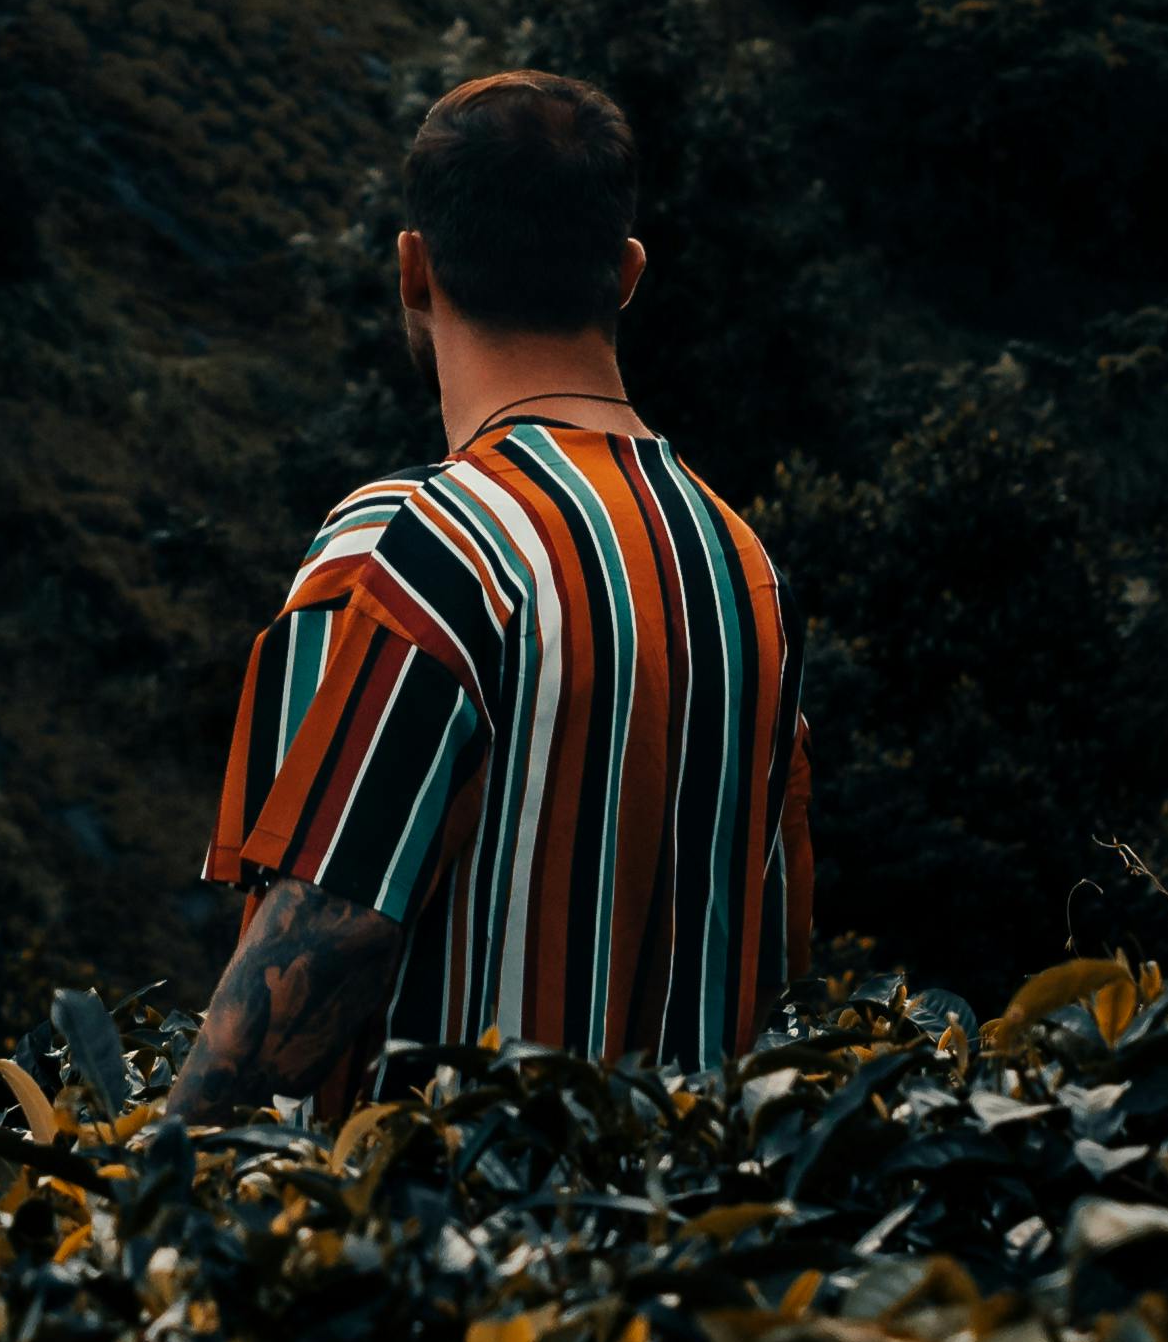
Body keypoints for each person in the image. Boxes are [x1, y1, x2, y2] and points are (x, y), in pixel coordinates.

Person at [166, 66, 812, 1124]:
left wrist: (140, 1218)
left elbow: (316, 938)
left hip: (436, 1248)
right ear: (627, 273)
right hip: (676, 1250)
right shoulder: (746, 572)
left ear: (413, 269)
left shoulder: (416, 542)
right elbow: (775, 945)